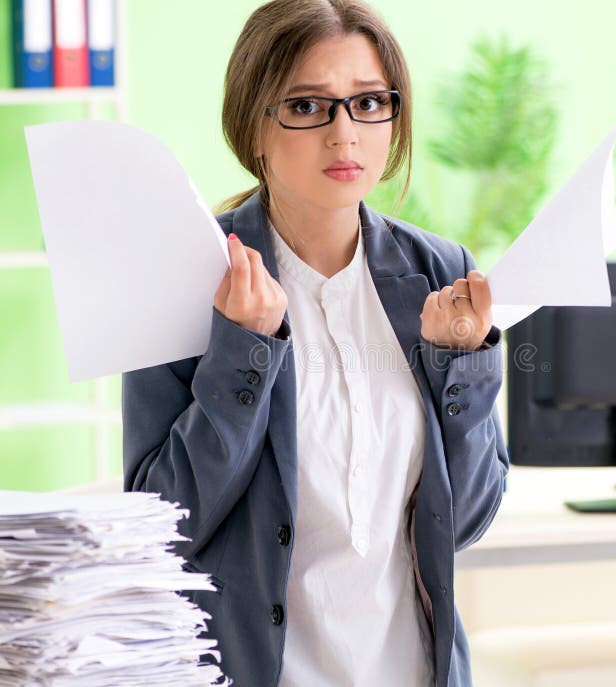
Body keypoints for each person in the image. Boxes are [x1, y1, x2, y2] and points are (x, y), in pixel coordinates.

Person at [121, 1, 508, 685]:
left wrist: (462, 372)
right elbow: (161, 528)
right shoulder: (185, 279)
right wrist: (242, 351)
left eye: (368, 103)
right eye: (308, 106)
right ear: (255, 126)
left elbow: (468, 519)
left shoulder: (441, 272)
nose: (344, 134)